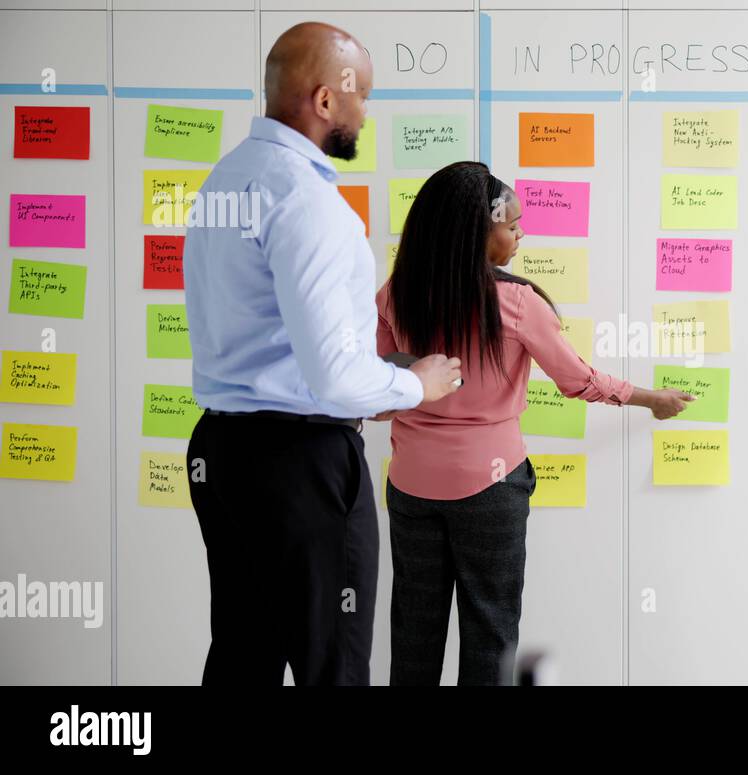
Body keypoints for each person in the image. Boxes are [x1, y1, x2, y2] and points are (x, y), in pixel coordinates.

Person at [184, 22, 462, 686]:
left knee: (243, 651)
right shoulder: (311, 203)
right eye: (361, 94)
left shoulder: (225, 180)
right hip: (300, 463)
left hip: (220, 455)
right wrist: (415, 384)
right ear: (324, 99)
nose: (367, 110)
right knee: (331, 663)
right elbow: (336, 378)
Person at [373, 161, 694, 685]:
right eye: (513, 225)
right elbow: (578, 380)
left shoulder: (395, 293)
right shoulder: (517, 302)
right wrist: (649, 398)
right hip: (490, 486)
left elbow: (382, 392)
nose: (522, 234)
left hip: (411, 486)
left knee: (414, 629)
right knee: (491, 632)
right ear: (479, 232)